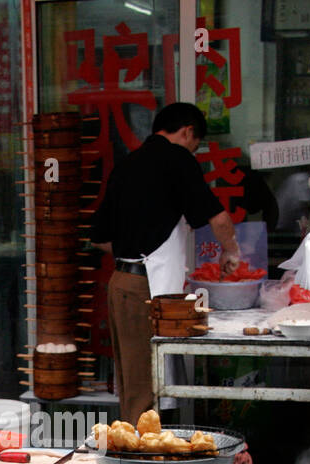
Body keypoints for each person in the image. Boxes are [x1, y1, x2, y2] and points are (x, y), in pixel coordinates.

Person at [90, 102, 240, 426]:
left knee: (135, 383)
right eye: (195, 142)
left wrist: (132, 249)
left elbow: (99, 236)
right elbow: (218, 217)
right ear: (187, 132)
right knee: (145, 388)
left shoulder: (126, 165)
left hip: (123, 283)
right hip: (146, 287)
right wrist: (231, 252)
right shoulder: (178, 159)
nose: (193, 148)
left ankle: (144, 455)